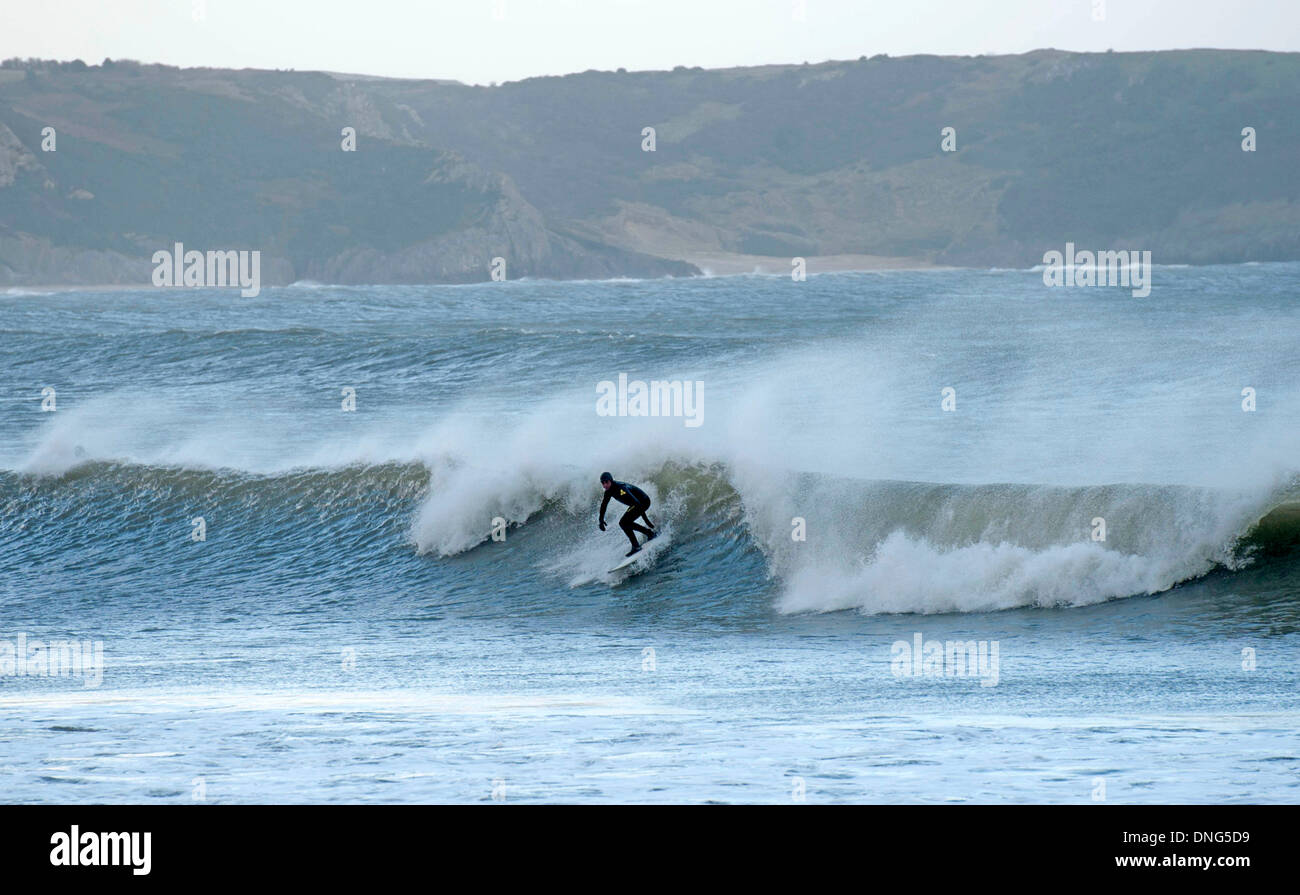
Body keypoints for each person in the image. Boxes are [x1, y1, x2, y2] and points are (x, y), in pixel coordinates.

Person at [598, 471, 656, 556]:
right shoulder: (608, 492)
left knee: (623, 523)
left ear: (611, 480)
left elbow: (637, 502)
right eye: (602, 483)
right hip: (636, 504)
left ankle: (637, 545)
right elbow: (604, 505)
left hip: (643, 502)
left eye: (606, 482)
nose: (604, 485)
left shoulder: (620, 488)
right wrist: (601, 520)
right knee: (625, 523)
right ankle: (649, 533)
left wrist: (646, 520)